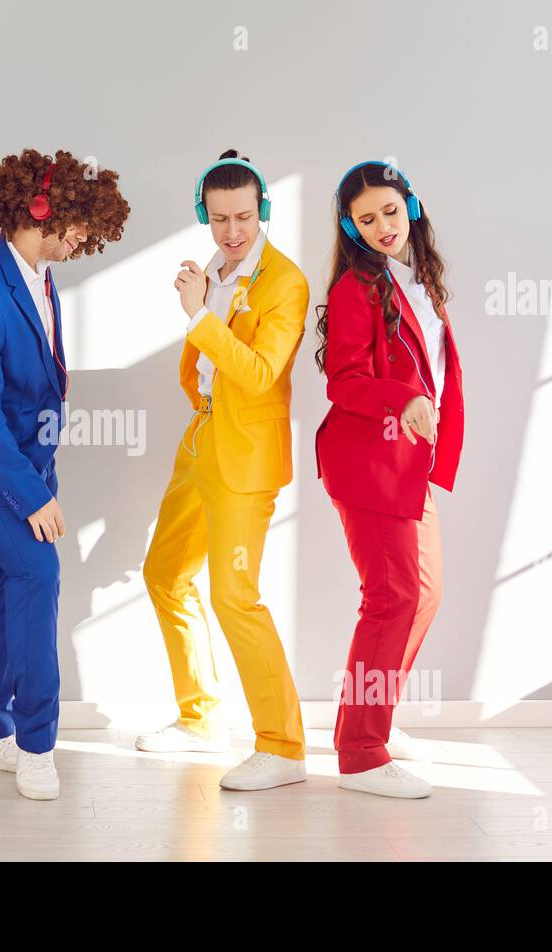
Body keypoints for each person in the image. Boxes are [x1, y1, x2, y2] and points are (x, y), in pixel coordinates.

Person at [0, 149, 129, 800]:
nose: (84, 239)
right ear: (40, 209)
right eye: (79, 224)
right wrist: (30, 497)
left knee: (10, 583)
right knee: (39, 571)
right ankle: (36, 744)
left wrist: (43, 469)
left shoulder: (38, 272)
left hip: (27, 456)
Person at [136, 151, 311, 791]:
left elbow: (262, 373)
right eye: (218, 219)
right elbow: (207, 365)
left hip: (245, 452)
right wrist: (204, 302)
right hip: (201, 436)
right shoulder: (215, 268)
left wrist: (199, 314)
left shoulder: (284, 282)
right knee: (164, 573)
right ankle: (202, 717)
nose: (232, 231)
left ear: (262, 210)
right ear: (204, 216)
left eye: (242, 217)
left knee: (235, 595)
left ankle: (284, 747)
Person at [314, 160, 465, 798]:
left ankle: (370, 717)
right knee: (392, 597)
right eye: (366, 218)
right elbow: (343, 379)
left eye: (391, 212)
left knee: (422, 594)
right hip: (368, 463)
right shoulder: (356, 288)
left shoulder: (420, 278)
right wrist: (401, 399)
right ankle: (362, 752)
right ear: (351, 225)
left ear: (413, 208)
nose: (381, 226)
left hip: (409, 463)